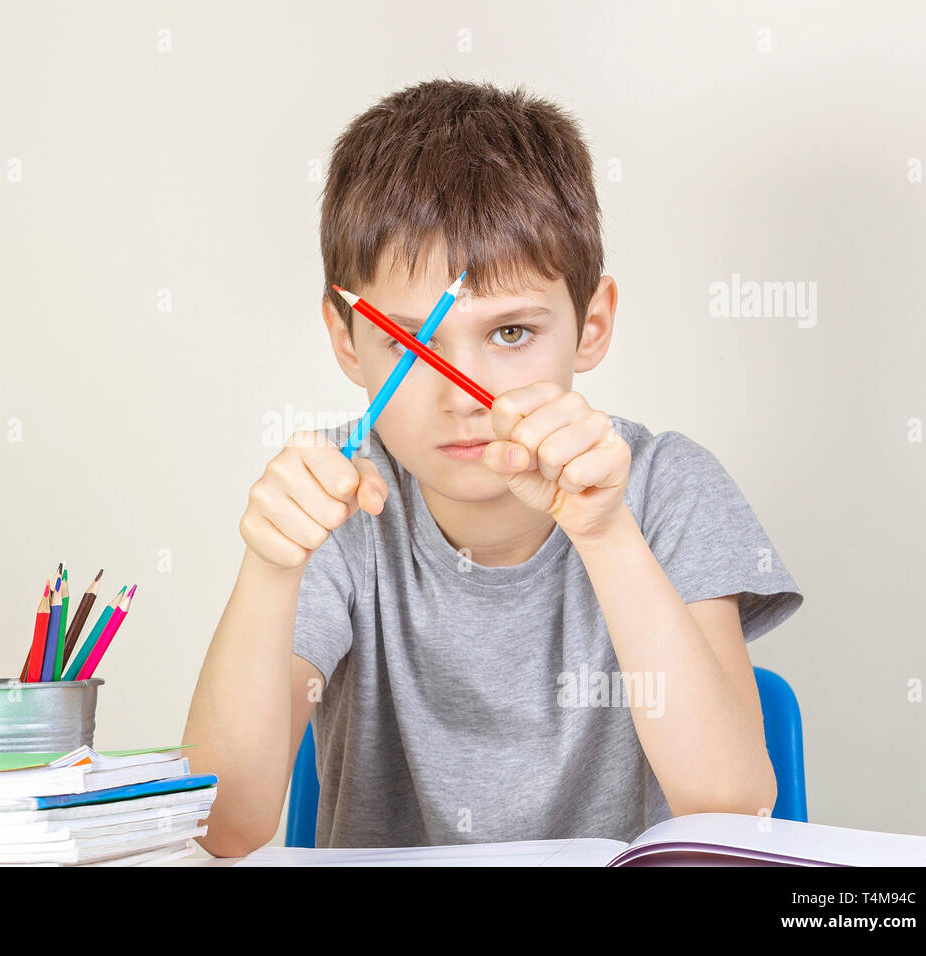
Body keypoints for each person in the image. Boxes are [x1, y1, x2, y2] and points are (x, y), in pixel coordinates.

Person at [182, 78, 803, 855]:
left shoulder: (665, 487)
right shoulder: (335, 502)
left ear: (592, 324)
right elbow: (223, 826)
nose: (460, 396)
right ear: (347, 341)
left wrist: (607, 536)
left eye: (511, 333)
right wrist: (271, 569)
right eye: (408, 343)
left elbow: (731, 804)